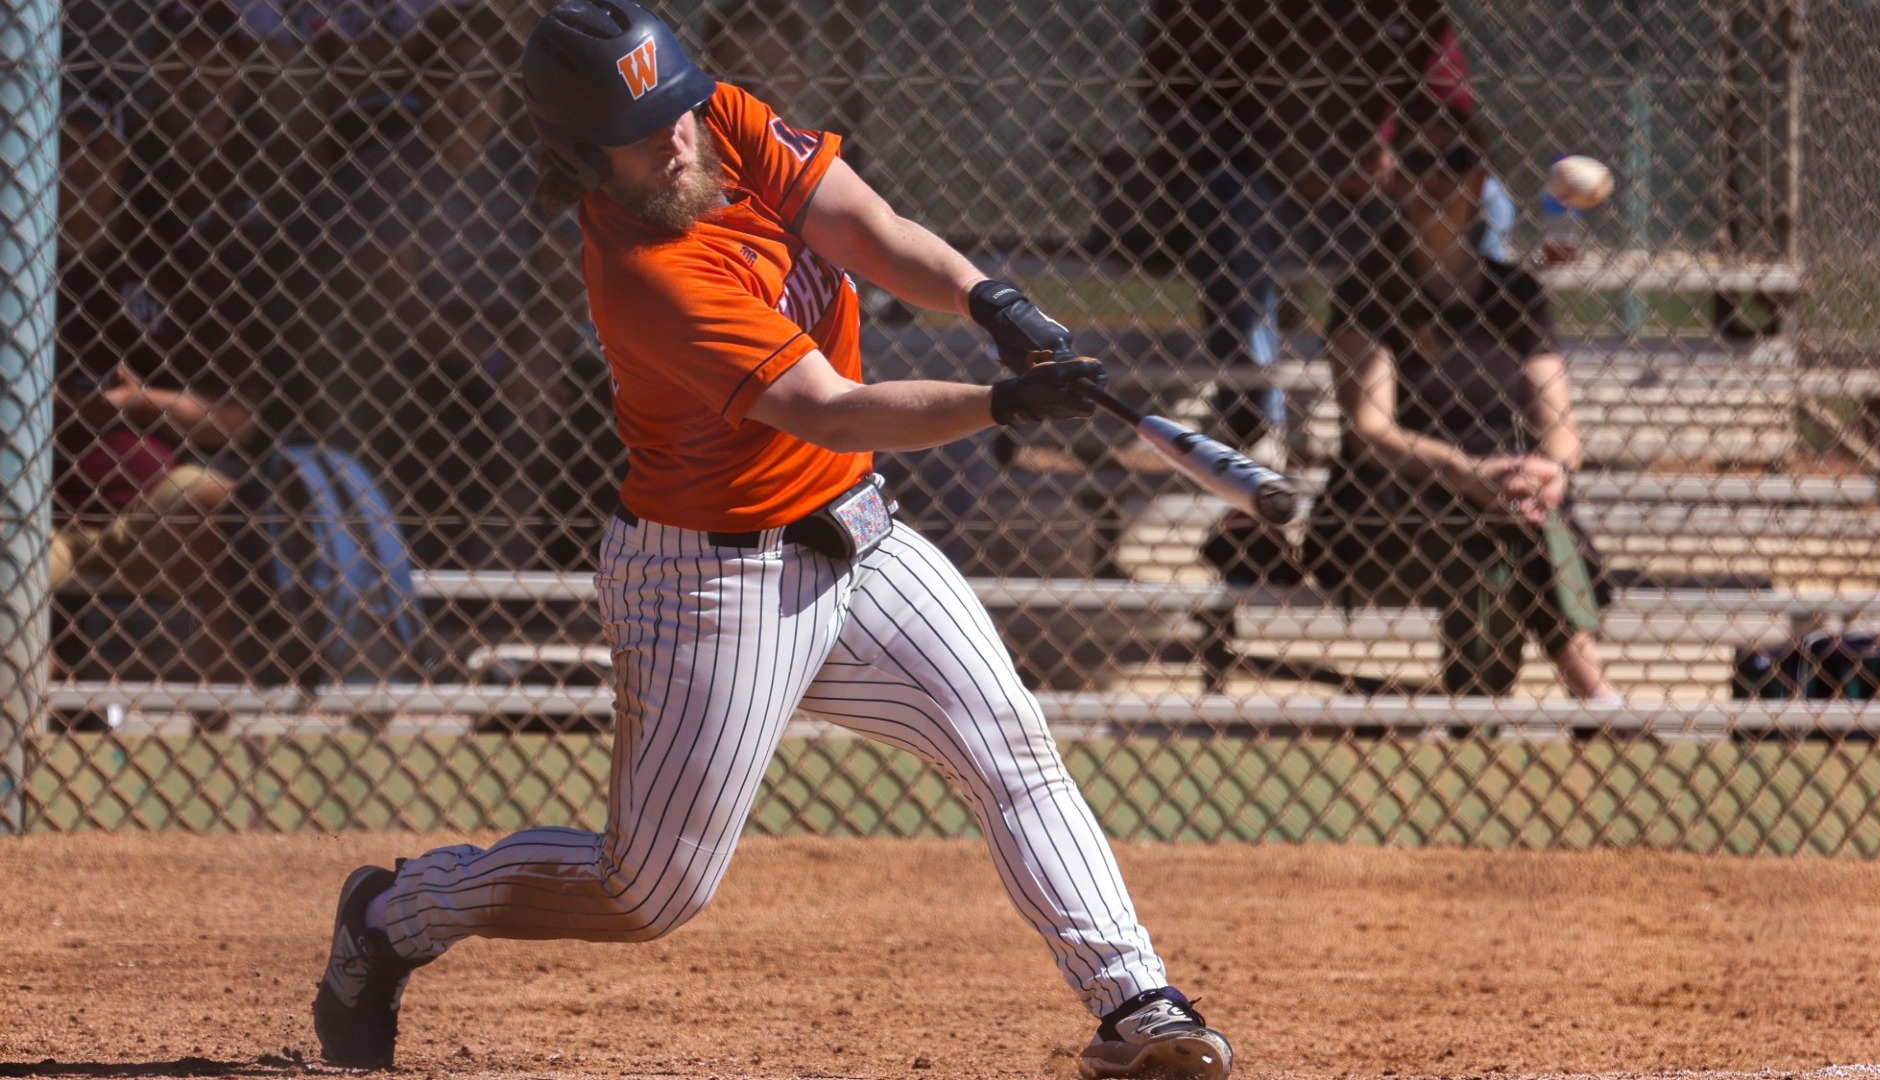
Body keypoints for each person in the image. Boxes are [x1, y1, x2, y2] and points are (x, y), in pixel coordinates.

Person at [308, 5, 1236, 1080]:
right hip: (711, 583)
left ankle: (1136, 1007)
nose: (676, 137)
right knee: (647, 893)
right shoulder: (648, 275)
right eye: (639, 131)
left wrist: (991, 299)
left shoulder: (714, 120)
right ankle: (397, 912)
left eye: (678, 108)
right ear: (581, 156)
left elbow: (864, 229)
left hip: (861, 540)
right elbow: (829, 408)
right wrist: (1005, 402)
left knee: (1010, 749)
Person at [1304, 97, 1620, 702]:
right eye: (1419, 161)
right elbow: (1370, 430)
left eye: (1455, 161)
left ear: (1479, 182)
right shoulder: (1367, 289)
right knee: (1497, 526)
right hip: (1393, 505)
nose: (1437, 178)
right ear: (1396, 179)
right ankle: (1591, 693)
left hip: (1507, 493)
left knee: (1509, 522)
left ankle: (1482, 715)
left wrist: (1552, 470)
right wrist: (1466, 473)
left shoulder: (1516, 294)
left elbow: (1560, 424)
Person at [1135, 0, 1516, 455]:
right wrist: (1276, 158)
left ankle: (1471, 394)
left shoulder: (1411, 9)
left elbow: (1450, 109)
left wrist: (1401, 157)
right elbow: (1168, 98)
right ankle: (1255, 418)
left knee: (1488, 200)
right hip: (1266, 194)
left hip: (1377, 197)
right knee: (1227, 196)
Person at [325, 2, 579, 567]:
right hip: (431, 349)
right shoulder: (385, 171)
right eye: (447, 78)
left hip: (524, 341)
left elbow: (564, 283)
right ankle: (468, 584)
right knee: (463, 412)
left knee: (595, 401)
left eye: (482, 80)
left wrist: (536, 358)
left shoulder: (533, 171)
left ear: (504, 91)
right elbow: (397, 301)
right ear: (421, 87)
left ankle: (576, 580)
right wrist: (497, 367)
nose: (465, 98)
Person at [51, 96, 264, 689]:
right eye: (65, 147)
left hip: (140, 509)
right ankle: (31, 713)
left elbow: (240, 416)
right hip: (28, 513)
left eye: (97, 148)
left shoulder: (167, 258)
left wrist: (145, 403)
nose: (80, 165)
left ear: (121, 160)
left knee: (226, 504)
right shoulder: (15, 257)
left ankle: (223, 715)